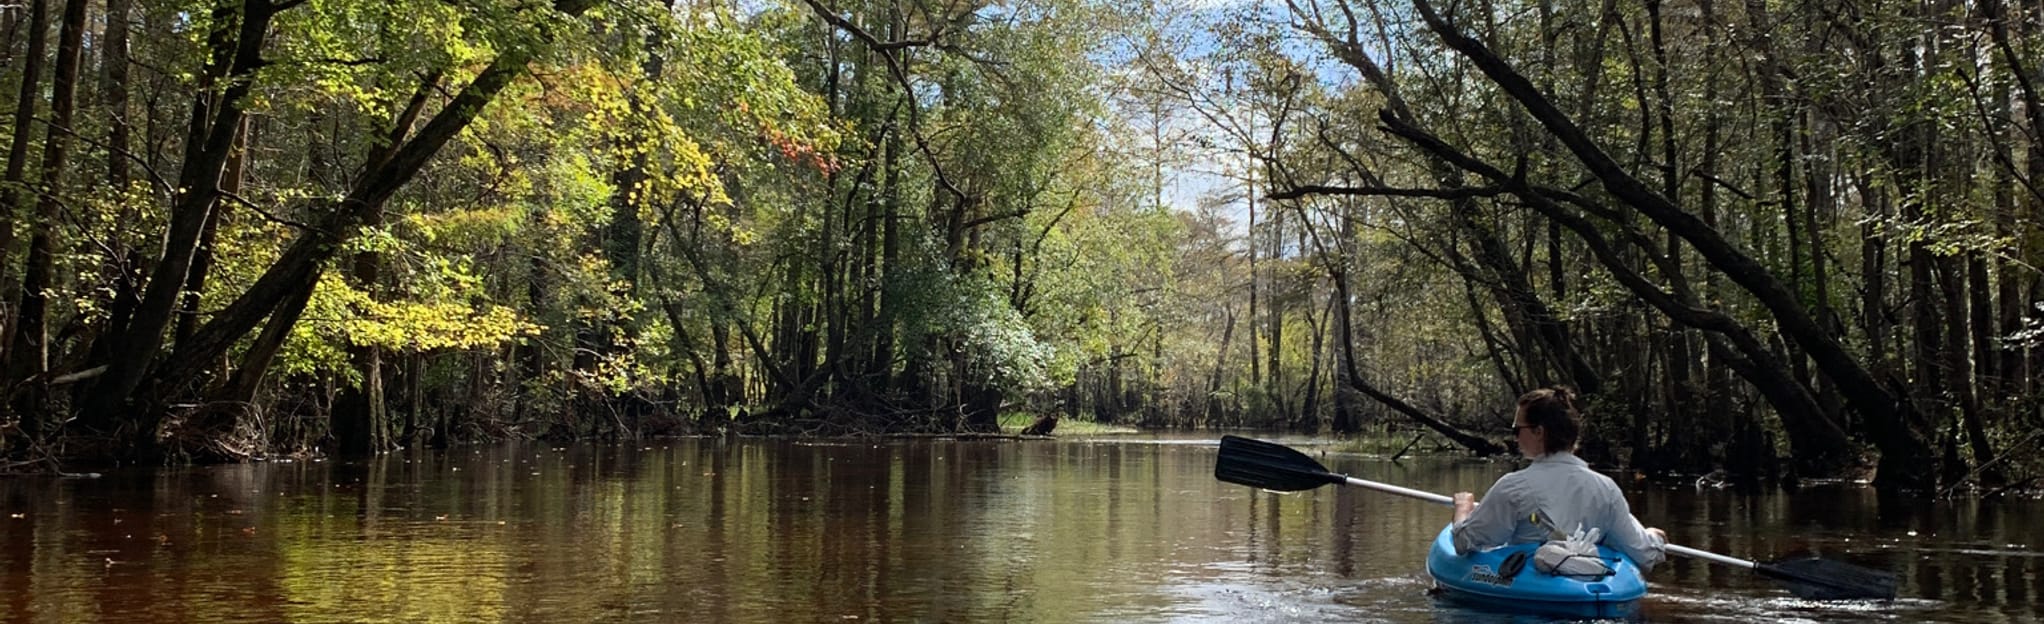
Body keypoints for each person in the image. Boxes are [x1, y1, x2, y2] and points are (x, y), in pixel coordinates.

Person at [1449, 386, 1668, 572]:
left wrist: (1462, 509)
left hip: (1532, 588)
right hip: (1585, 585)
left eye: (1517, 429)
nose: (1514, 436)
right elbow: (1645, 554)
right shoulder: (1606, 488)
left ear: (1539, 432)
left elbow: (1463, 541)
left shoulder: (1513, 486)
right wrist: (1654, 537)